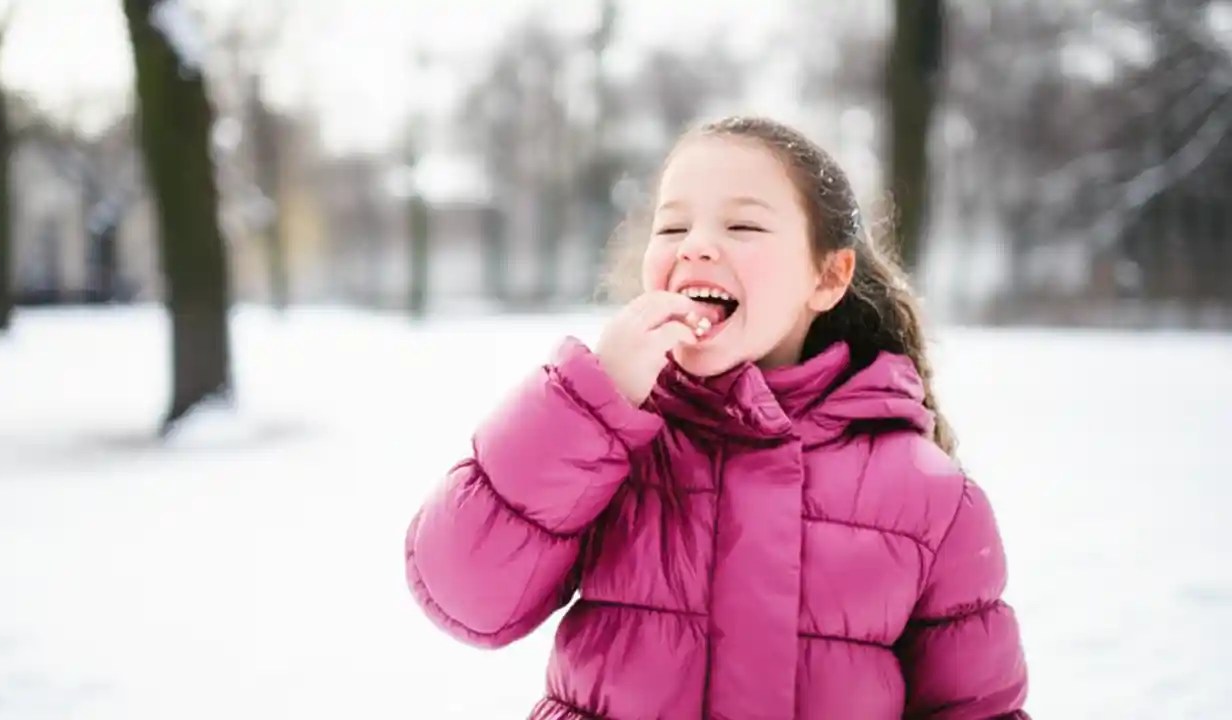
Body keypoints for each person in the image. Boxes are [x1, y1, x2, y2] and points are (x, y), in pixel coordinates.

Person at [404, 116, 1029, 719]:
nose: (697, 245)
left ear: (829, 275)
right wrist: (590, 404)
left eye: (743, 226)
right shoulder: (613, 446)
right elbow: (466, 595)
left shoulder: (930, 497)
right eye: (672, 228)